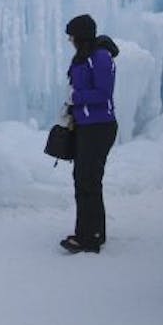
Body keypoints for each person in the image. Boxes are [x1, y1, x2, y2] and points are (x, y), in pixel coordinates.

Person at [59, 14, 118, 253]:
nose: (70, 40)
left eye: (72, 35)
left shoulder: (100, 57)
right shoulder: (82, 58)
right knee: (83, 179)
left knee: (88, 180)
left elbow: (104, 93)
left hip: (100, 126)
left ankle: (90, 237)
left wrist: (76, 98)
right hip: (85, 125)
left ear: (81, 35)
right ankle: (90, 231)